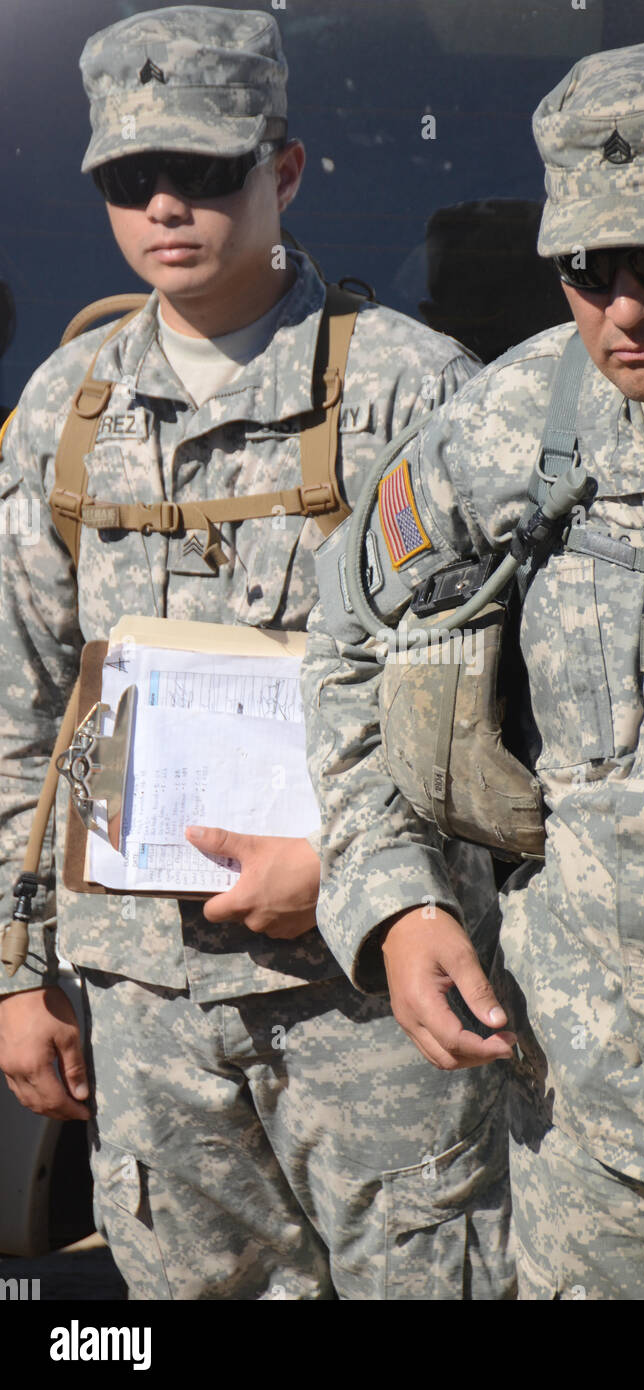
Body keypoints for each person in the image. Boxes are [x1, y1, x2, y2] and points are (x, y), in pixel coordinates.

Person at [303, 34, 644, 1300]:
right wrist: (396, 897)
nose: (621, 305)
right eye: (582, 266)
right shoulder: (516, 421)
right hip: (589, 1144)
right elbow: (352, 629)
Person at [0, 5, 514, 1300]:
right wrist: (16, 973)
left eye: (205, 171)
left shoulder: (417, 396)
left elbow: (511, 719)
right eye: (129, 180)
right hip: (147, 1013)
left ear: (281, 170)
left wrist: (348, 864)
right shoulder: (66, 414)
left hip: (366, 995)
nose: (166, 205)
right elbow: (20, 702)